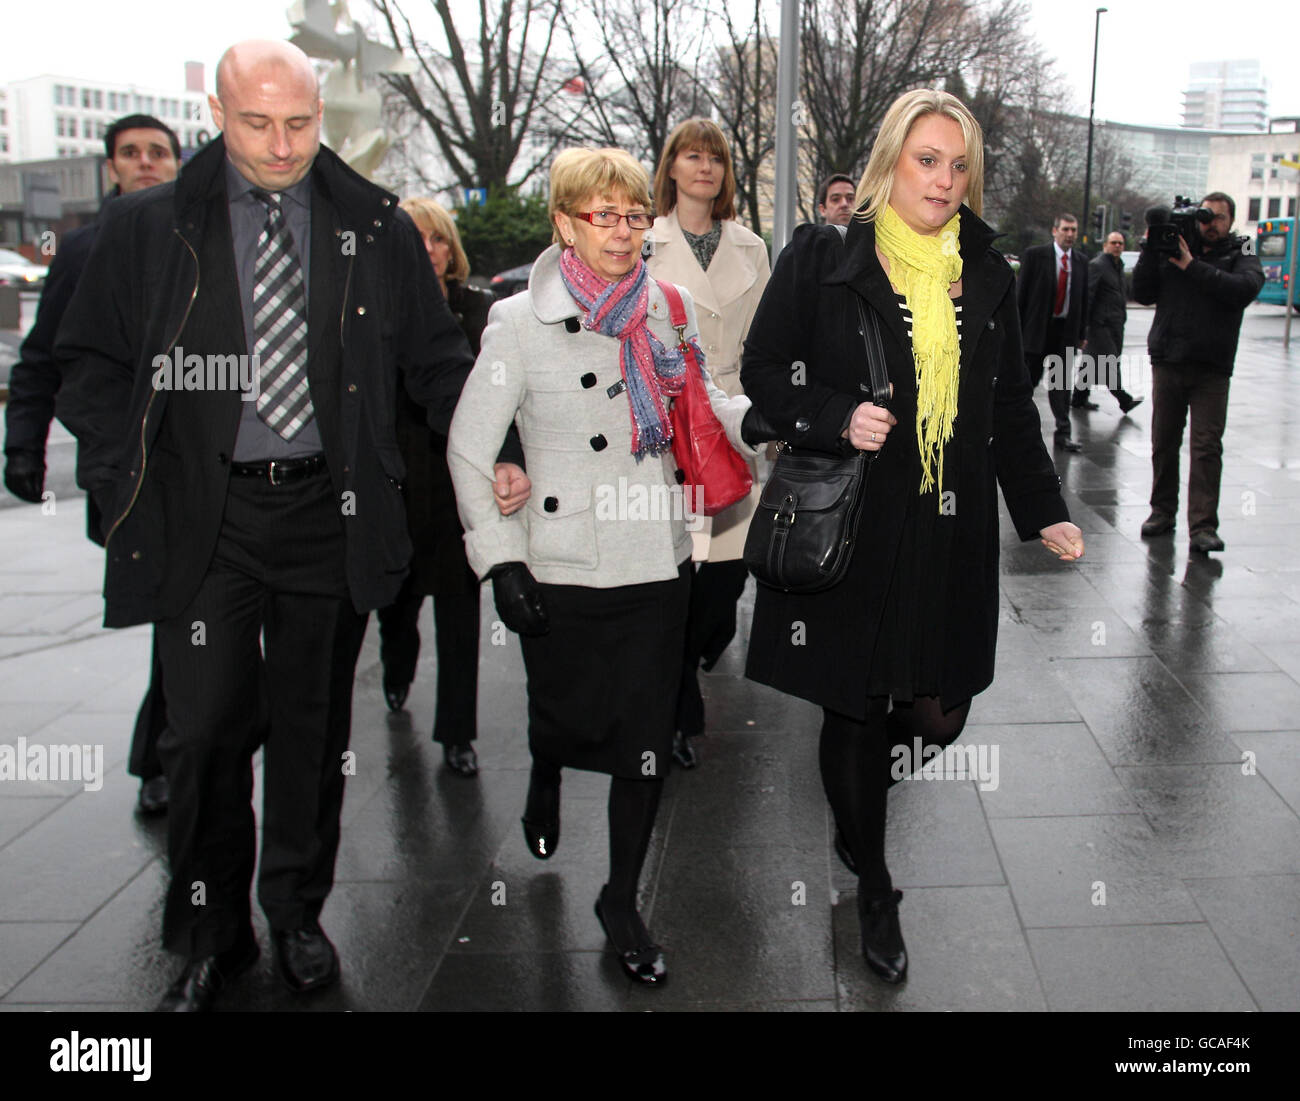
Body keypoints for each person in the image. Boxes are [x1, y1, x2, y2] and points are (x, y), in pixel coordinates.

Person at [54, 39, 526, 1013]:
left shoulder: (375, 226)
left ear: (323, 118)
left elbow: (436, 359)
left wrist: (494, 445)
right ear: (220, 116)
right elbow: (87, 365)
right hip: (206, 520)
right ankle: (206, 932)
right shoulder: (152, 228)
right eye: (256, 123)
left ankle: (297, 915)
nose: (279, 144)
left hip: (328, 510)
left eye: (300, 124)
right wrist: (122, 477)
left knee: (313, 736)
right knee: (205, 733)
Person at [741, 89, 1083, 985]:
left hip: (950, 525)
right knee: (855, 705)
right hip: (858, 524)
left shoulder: (987, 270)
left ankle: (859, 817)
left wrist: (1043, 506)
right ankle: (878, 882)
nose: (942, 179)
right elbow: (764, 370)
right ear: (892, 160)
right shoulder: (824, 256)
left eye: (958, 163)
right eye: (927, 159)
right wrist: (832, 413)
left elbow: (1009, 404)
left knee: (941, 707)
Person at [447, 147, 764, 985]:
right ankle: (546, 770)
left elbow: (707, 398)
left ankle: (620, 898)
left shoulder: (669, 307)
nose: (624, 232)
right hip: (562, 560)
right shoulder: (517, 321)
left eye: (634, 216)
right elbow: (470, 448)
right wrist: (500, 560)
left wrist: (754, 420)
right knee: (562, 712)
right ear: (565, 223)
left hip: (655, 557)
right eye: (604, 216)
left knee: (645, 740)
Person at [4, 113, 181, 818]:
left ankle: (169, 753)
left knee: (190, 616)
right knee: (177, 611)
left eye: (158, 152)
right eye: (131, 153)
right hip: (131, 467)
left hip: (203, 462)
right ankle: (165, 755)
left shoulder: (204, 236)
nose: (145, 163)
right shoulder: (84, 249)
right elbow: (46, 353)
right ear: (111, 166)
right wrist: (25, 441)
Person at [647, 118, 770, 769]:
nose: (704, 167)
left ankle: (688, 664)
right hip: (668, 425)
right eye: (692, 156)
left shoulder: (750, 246)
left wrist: (768, 417)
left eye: (715, 158)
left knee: (726, 583)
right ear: (671, 166)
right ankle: (675, 700)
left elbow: (769, 343)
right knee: (682, 573)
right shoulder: (645, 241)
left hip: (733, 419)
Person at [377, 197, 494, 777]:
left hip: (455, 485)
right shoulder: (377, 308)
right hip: (395, 484)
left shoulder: (479, 311)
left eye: (437, 239)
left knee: (458, 612)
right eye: (415, 239)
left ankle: (457, 733)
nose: (426, 249)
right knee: (396, 607)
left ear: (452, 249)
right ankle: (396, 672)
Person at [1133, 191, 1263, 554]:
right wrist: (1151, 245)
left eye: (1219, 217)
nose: (1211, 223)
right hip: (1169, 359)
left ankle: (1203, 526)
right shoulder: (1173, 243)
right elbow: (1141, 293)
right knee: (1163, 442)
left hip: (1213, 367)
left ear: (1231, 221)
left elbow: (1245, 288)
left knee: (1206, 447)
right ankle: (1162, 512)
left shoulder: (1244, 248)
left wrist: (1190, 264)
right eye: (1206, 216)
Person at [1017, 213, 1092, 451]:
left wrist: (1082, 333)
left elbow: (1082, 301)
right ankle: (1018, 431)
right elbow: (1021, 297)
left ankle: (1063, 433)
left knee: (1060, 386)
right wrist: (1016, 333)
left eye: (1074, 230)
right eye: (1066, 229)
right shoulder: (1035, 256)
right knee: (1027, 383)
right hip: (1036, 331)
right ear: (1054, 230)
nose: (1070, 235)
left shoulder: (1081, 261)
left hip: (1064, 333)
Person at [1086, 231, 1143, 415]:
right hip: (1100, 324)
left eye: (1120, 243)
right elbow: (1089, 295)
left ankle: (1078, 397)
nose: (1117, 246)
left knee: (1091, 363)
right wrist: (1085, 324)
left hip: (1116, 324)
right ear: (1105, 246)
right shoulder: (1098, 266)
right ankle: (1123, 399)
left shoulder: (1118, 266)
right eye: (1113, 243)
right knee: (1110, 362)